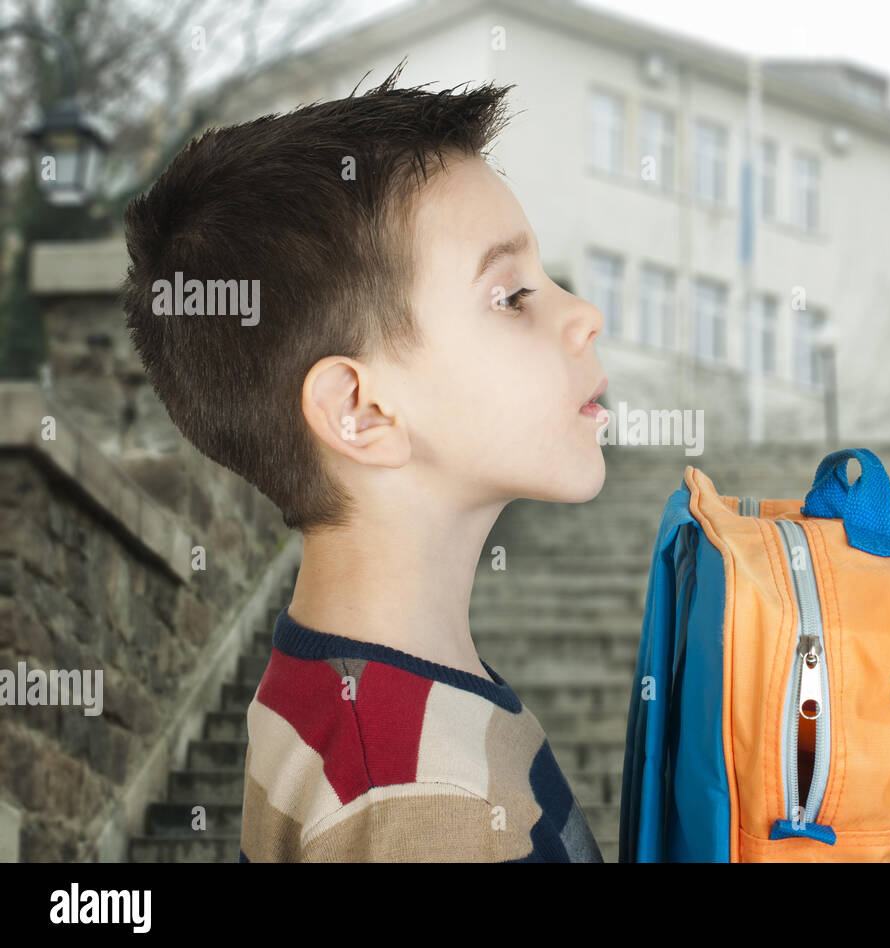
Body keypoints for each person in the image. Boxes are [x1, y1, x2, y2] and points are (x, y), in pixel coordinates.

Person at [120, 65, 609, 861]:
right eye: (510, 295)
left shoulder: (351, 686)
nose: (584, 314)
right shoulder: (424, 805)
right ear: (361, 410)